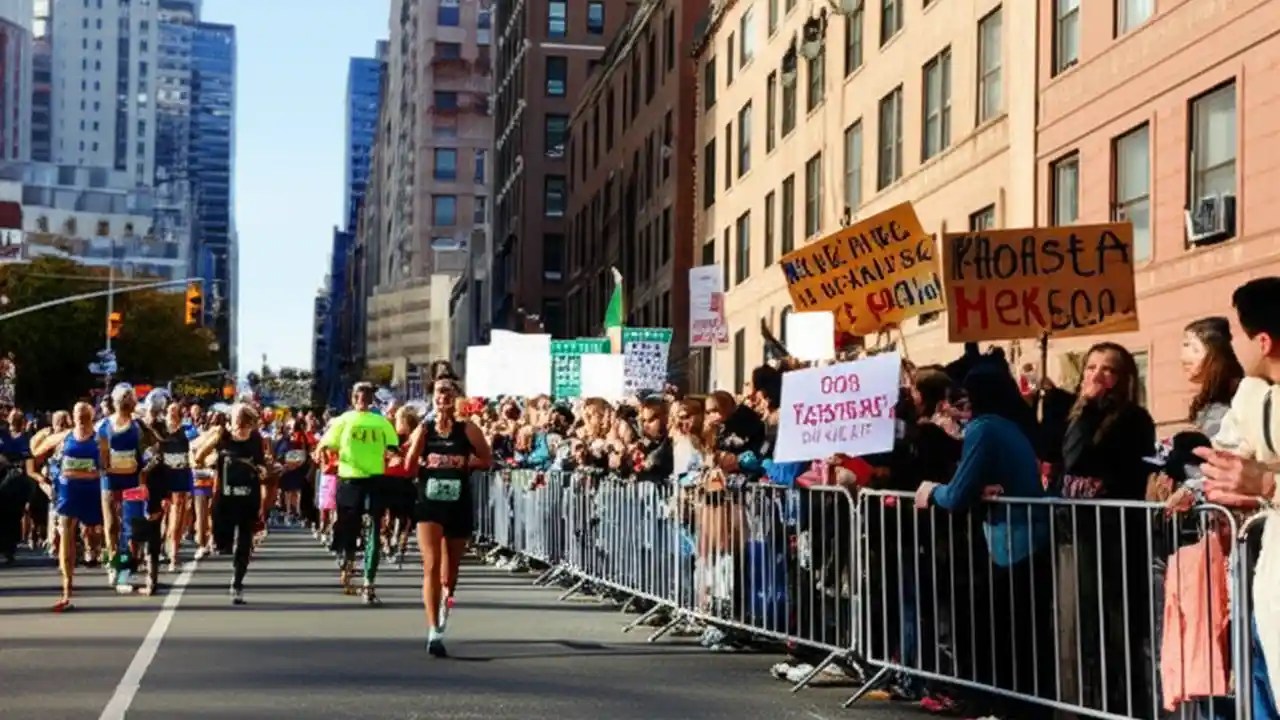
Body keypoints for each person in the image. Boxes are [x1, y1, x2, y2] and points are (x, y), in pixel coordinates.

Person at [1193, 277, 1280, 718]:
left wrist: (1267, 484)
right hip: (1268, 581)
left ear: (1262, 342)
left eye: (1239, 338)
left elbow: (1259, 478)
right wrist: (1203, 487)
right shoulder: (1250, 394)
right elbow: (1230, 454)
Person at [404, 372, 492, 657]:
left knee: (450, 572)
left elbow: (486, 459)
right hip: (429, 502)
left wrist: (462, 460)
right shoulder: (424, 428)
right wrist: (423, 448)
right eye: (439, 393)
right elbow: (409, 467)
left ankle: (446, 605)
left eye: (448, 393)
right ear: (433, 398)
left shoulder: (468, 429)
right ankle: (433, 630)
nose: (443, 397)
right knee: (431, 564)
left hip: (458, 502)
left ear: (455, 399)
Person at [318, 382, 399, 604]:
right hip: (349, 479)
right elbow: (326, 445)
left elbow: (393, 448)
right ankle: (348, 562)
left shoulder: (381, 422)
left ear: (371, 399)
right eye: (357, 397)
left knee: (374, 529)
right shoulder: (343, 420)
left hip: (374, 479)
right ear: (352, 399)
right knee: (347, 526)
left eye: (365, 397)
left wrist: (394, 457)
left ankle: (368, 582)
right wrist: (323, 456)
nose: (361, 401)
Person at [194, 403, 270, 605]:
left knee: (244, 544)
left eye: (245, 427)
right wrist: (211, 457)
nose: (241, 430)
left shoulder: (255, 439)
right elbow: (198, 457)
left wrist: (262, 470)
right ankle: (216, 541)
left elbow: (262, 463)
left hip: (248, 498)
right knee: (223, 542)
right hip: (224, 499)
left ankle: (237, 583)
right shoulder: (222, 436)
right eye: (238, 426)